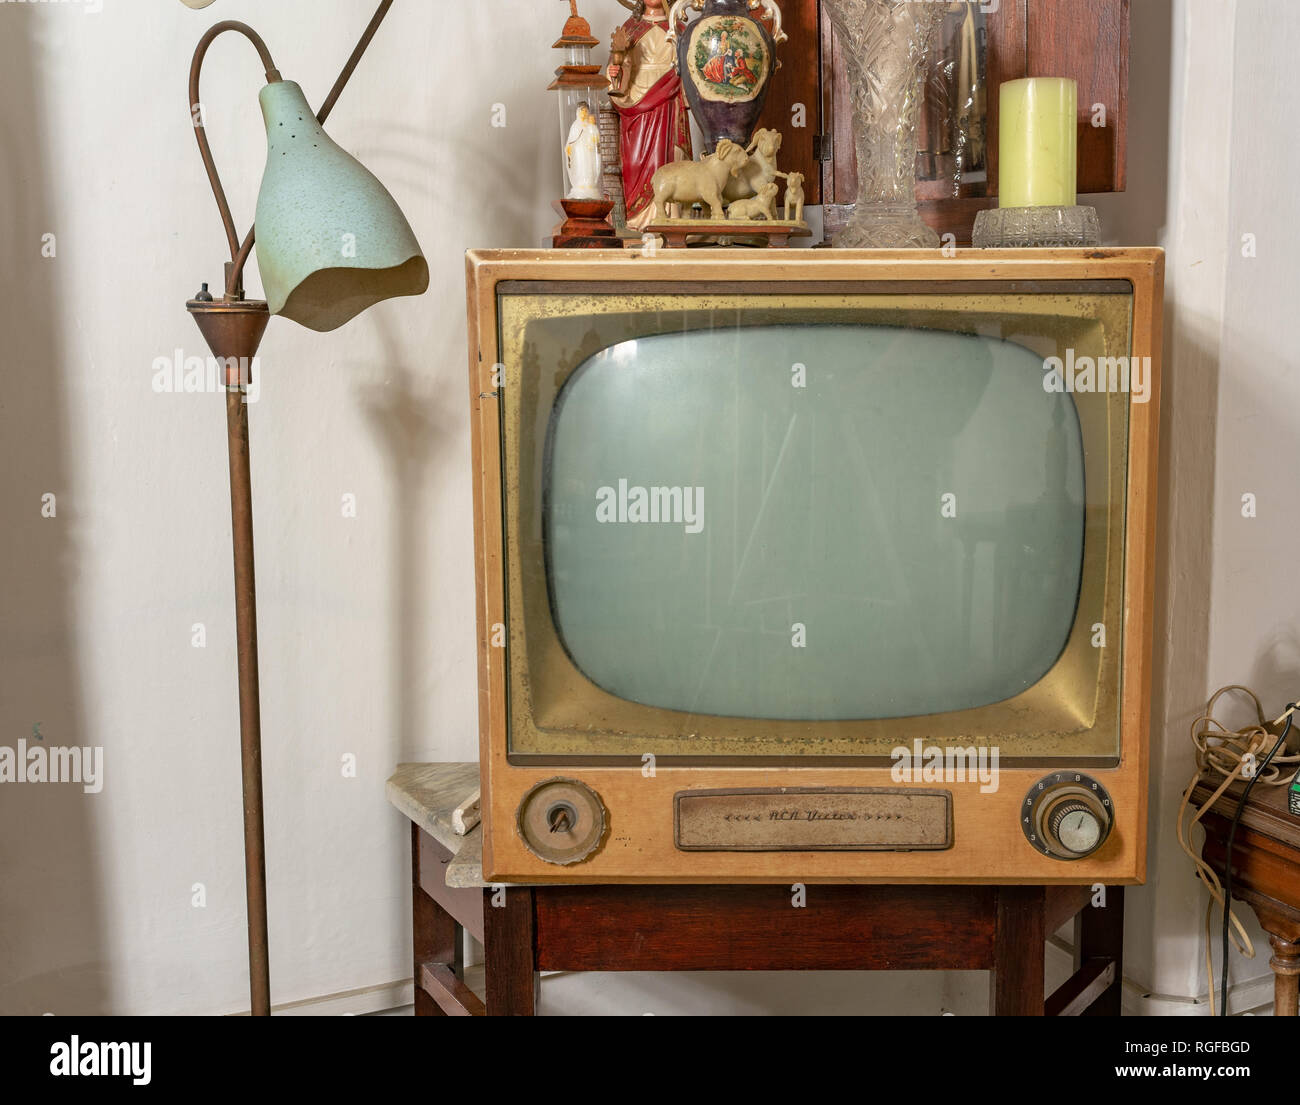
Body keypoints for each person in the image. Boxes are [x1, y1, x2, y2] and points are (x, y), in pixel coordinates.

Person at [607, 0, 693, 229]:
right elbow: (617, 66)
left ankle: (673, 220)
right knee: (635, 162)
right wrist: (615, 71)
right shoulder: (630, 28)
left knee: (671, 160)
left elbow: (691, 66)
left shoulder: (679, 30)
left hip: (670, 102)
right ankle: (638, 221)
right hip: (636, 107)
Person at [564, 102, 603, 201]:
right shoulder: (575, 125)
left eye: (586, 111)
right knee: (580, 166)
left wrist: (594, 131)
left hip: (588, 151)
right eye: (582, 111)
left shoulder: (590, 125)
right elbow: (571, 140)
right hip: (579, 151)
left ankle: (589, 183)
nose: (584, 113)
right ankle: (580, 183)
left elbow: (596, 138)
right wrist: (569, 147)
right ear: (578, 112)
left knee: (589, 165)